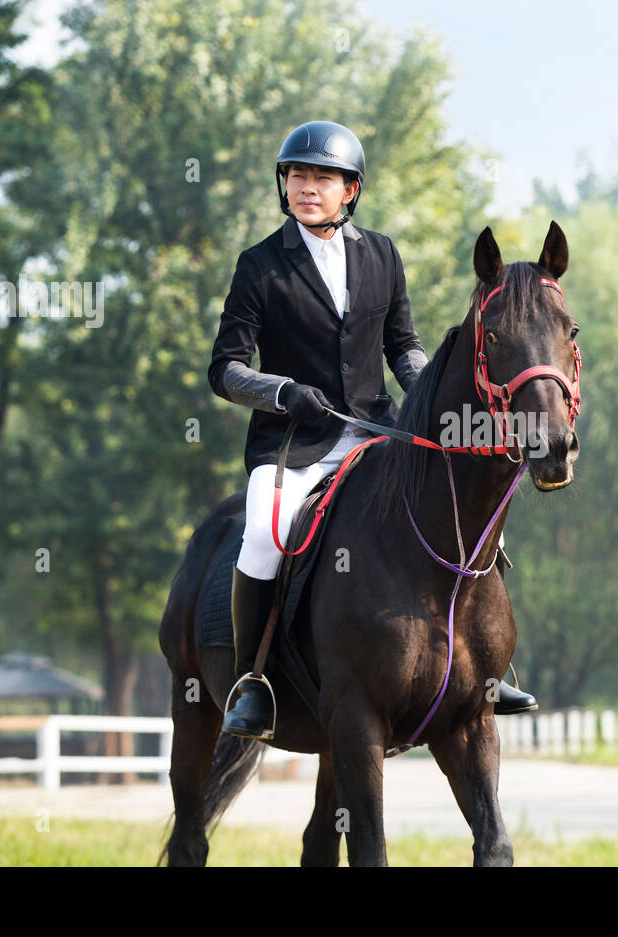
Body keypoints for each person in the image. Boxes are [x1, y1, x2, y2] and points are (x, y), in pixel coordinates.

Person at [207, 120, 537, 739]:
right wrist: (281, 392)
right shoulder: (260, 266)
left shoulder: (381, 253)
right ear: (285, 185)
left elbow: (404, 346)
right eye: (298, 176)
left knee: (464, 514)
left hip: (376, 435)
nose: (308, 187)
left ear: (350, 190)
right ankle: (254, 682)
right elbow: (225, 369)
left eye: (322, 178)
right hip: (292, 447)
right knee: (263, 534)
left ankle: (491, 665)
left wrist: (430, 404)